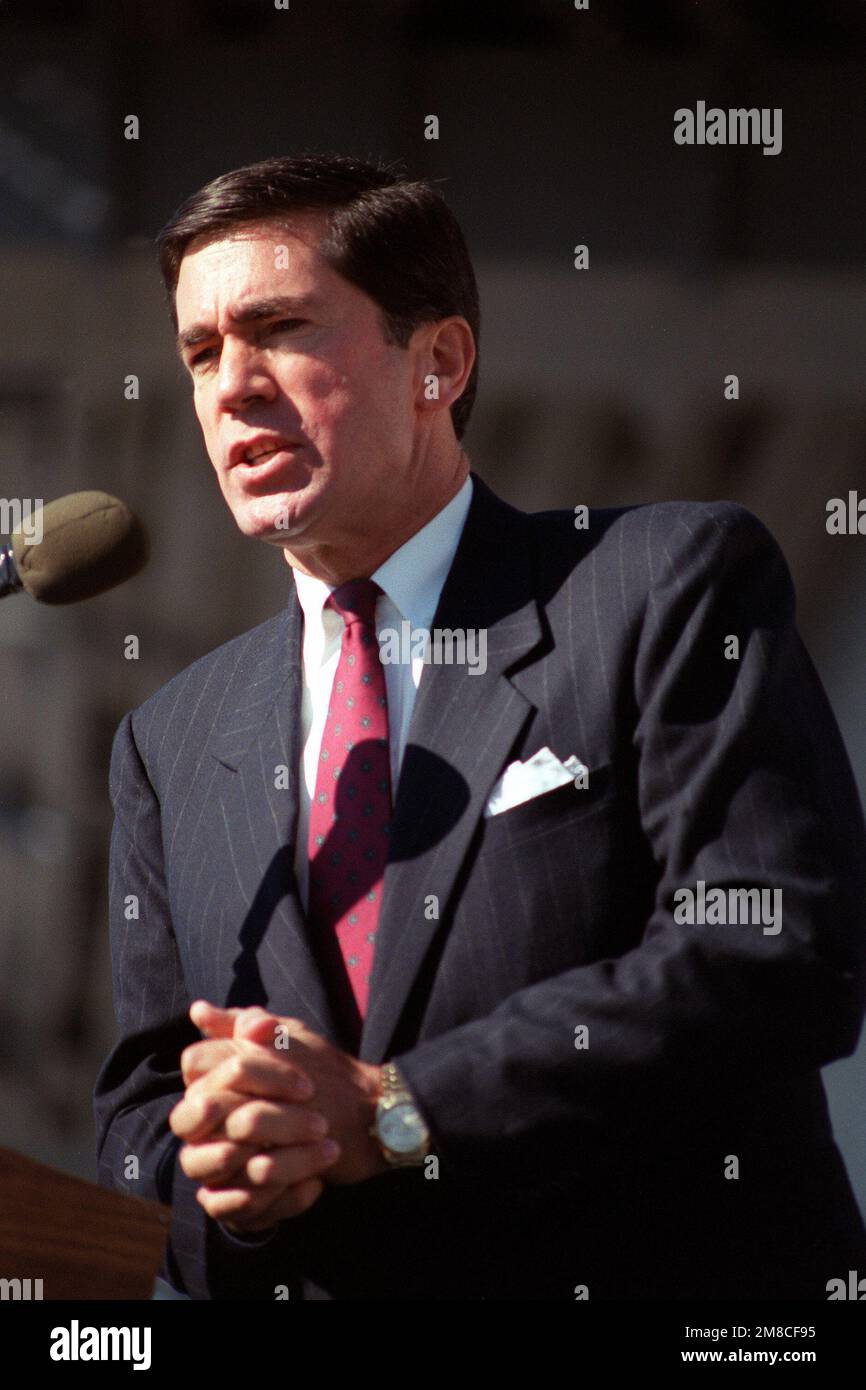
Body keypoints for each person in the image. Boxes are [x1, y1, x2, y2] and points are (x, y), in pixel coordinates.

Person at [94, 153, 866, 1300]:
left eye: (279, 328)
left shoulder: (660, 584)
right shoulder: (170, 736)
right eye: (201, 352)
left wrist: (398, 1112)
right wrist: (239, 1173)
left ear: (437, 362)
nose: (231, 386)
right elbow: (136, 1118)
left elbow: (771, 953)